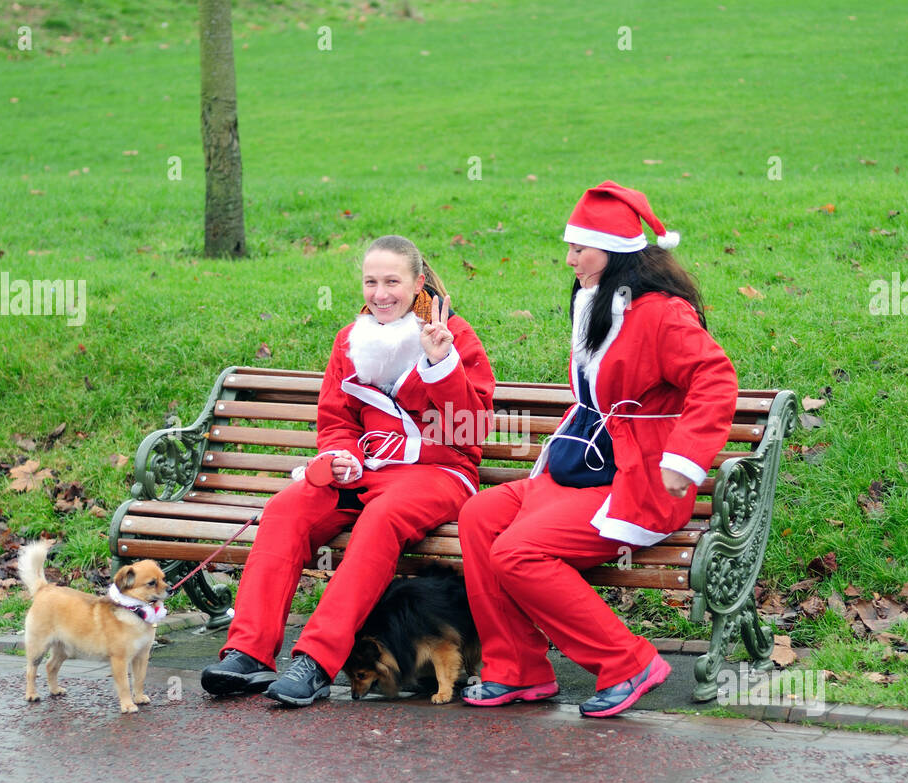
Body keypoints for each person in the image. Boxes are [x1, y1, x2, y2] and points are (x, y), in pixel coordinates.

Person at [458, 181, 739, 717]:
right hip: (583, 469)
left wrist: (685, 460)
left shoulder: (660, 314)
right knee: (477, 516)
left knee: (517, 552)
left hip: (638, 480)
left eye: (579, 250)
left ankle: (628, 662)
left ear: (612, 252)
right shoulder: (598, 302)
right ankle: (516, 670)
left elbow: (715, 378)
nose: (569, 260)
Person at [202, 235, 496, 707]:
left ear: (418, 282)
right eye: (371, 282)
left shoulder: (452, 334)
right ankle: (249, 652)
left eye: (393, 282)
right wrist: (340, 456)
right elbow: (336, 421)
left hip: (437, 471)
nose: (381, 294)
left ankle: (317, 660)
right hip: (363, 470)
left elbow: (472, 428)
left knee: (379, 523)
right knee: (285, 510)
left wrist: (442, 363)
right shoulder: (350, 339)